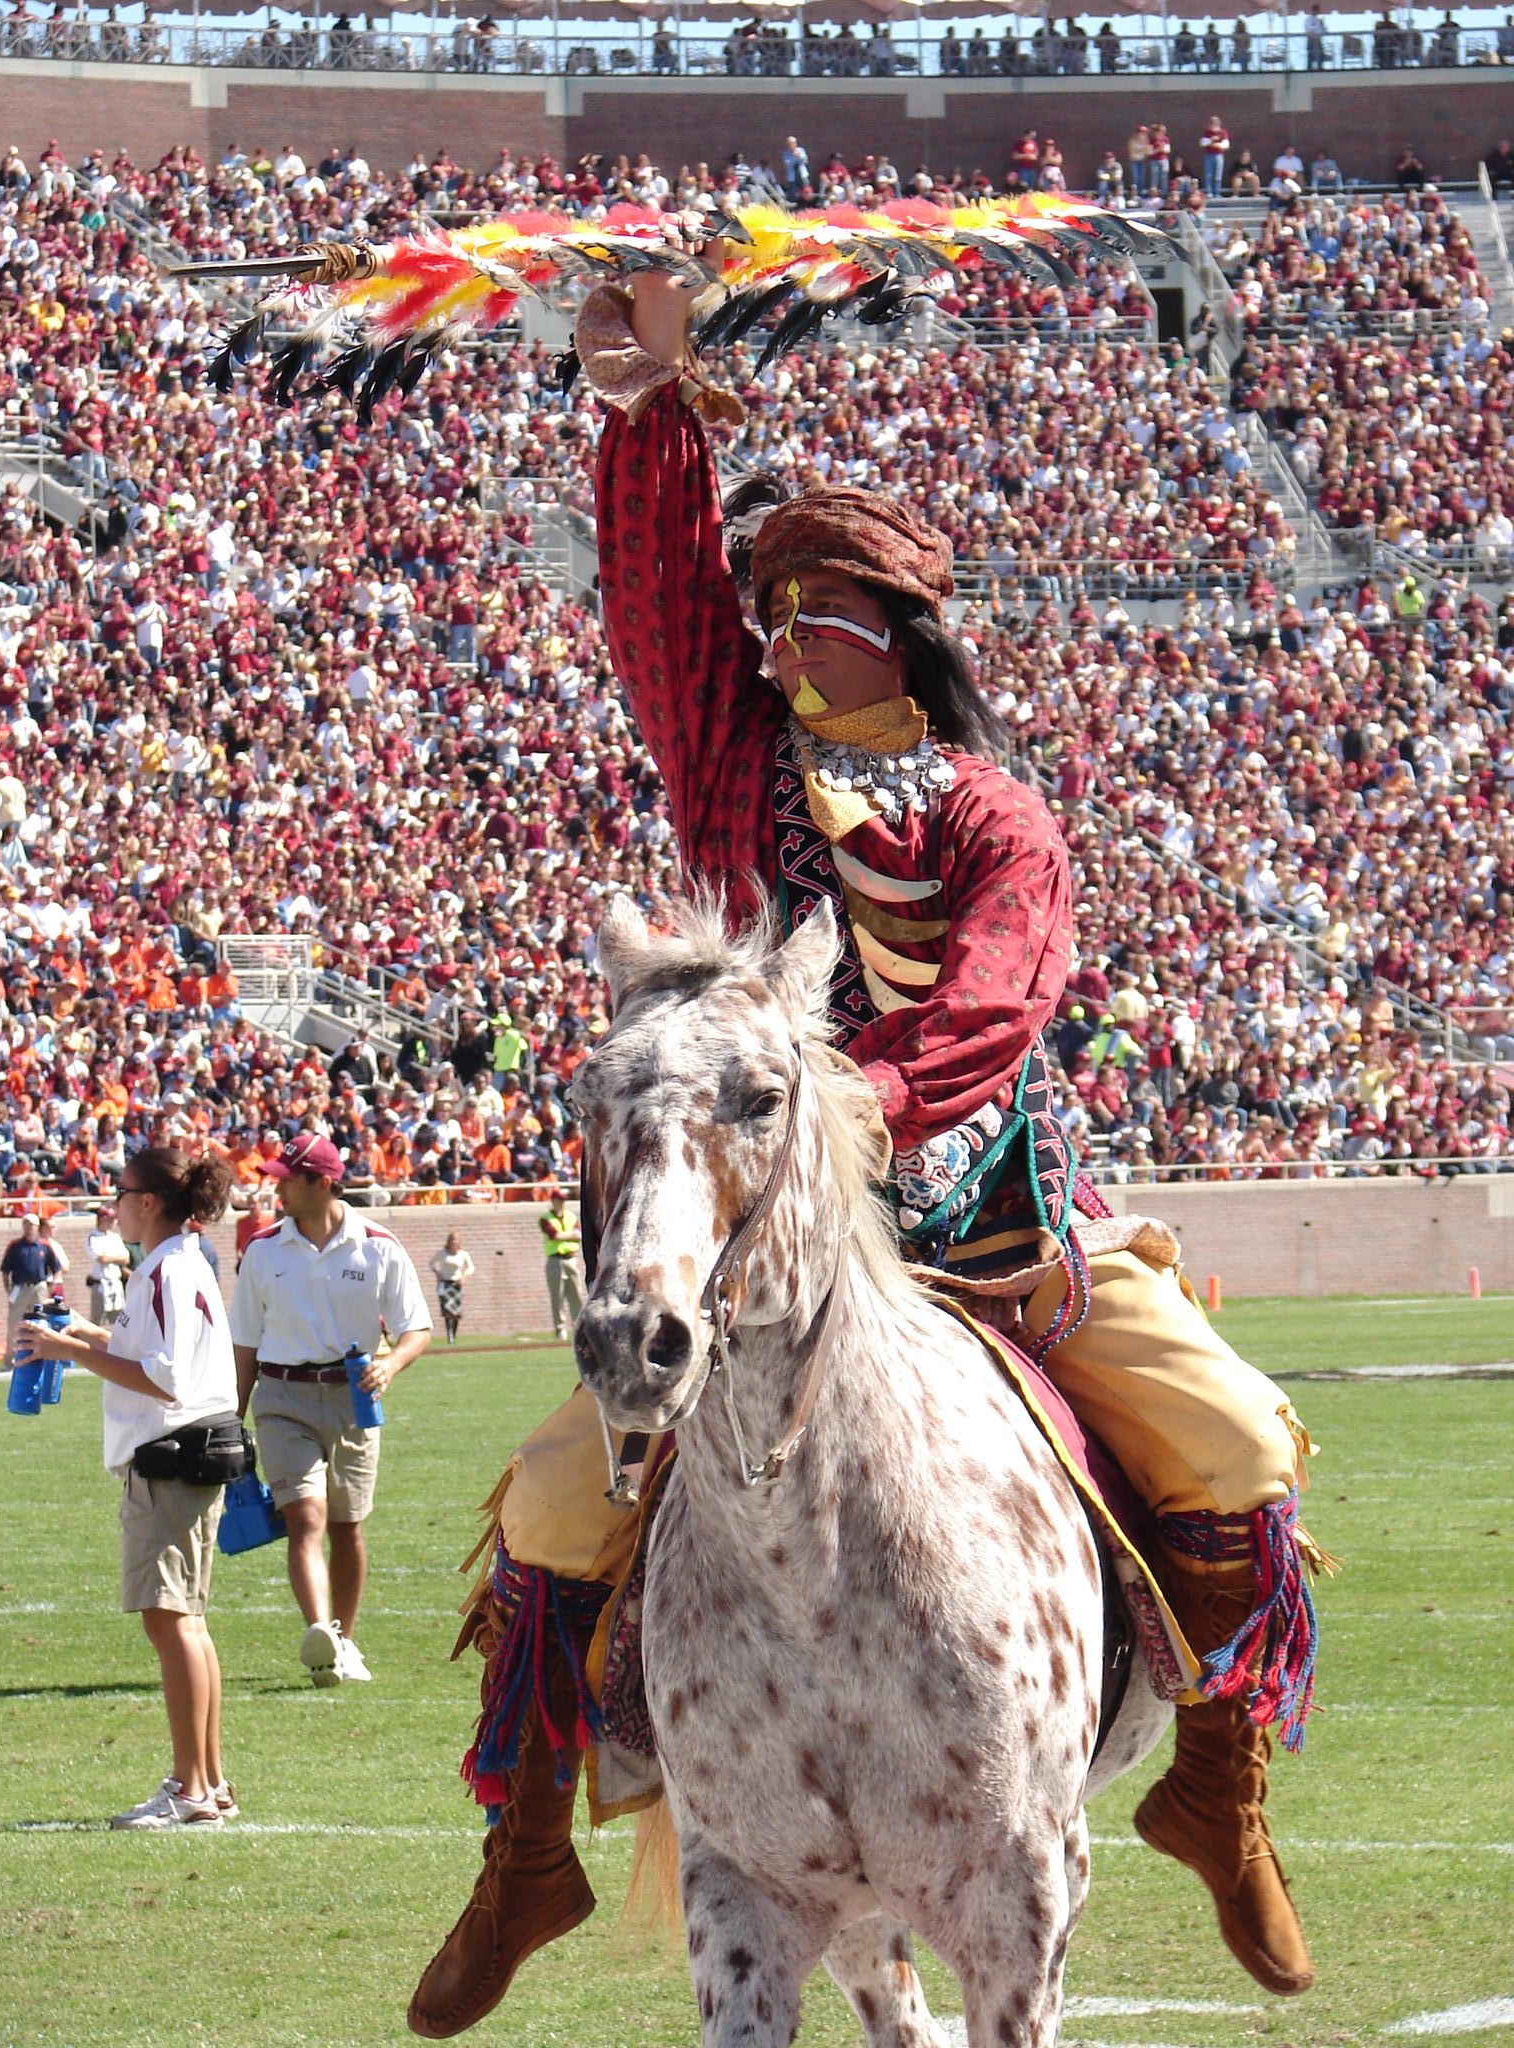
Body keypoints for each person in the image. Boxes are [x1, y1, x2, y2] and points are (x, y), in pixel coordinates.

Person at [406, 263, 1322, 2035]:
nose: (772, 640)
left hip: (986, 1248)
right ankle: (525, 1850)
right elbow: (661, 622)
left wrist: (850, 1114)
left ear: (895, 629)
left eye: (811, 612)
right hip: (756, 1259)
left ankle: (1219, 1786)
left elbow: (991, 1012)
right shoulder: (743, 777)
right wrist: (646, 410)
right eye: (771, 614)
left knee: (1229, 1444)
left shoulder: (996, 818)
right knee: (541, 1501)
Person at [16, 1148, 240, 1829]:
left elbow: (167, 1377)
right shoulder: (181, 1263)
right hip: (195, 1453)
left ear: (150, 1203)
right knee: (188, 1624)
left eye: (122, 1192)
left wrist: (71, 1352)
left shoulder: (166, 1268)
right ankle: (209, 1781)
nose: (113, 1204)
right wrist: (89, 1335)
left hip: (173, 1460)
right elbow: (154, 1356)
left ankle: (191, 1786)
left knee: (168, 1620)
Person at [231, 1134, 434, 1687]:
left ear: (321, 1184)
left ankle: (344, 1639)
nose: (275, 1185)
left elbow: (417, 1327)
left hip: (354, 1398)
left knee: (347, 1527)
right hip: (281, 1397)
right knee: (305, 1518)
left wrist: (391, 1365)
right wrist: (232, 1418)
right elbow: (245, 1344)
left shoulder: (379, 1245)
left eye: (286, 1177)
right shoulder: (263, 1250)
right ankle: (321, 1633)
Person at [0, 1214, 63, 1364]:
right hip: (20, 1287)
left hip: (38, 1287)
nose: (28, 1228)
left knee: (41, 1321)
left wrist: (52, 1284)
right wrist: (8, 1289)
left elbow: (56, 1267)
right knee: (14, 1323)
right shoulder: (15, 1246)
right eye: (26, 1225)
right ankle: (10, 1359)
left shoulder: (44, 1245)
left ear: (37, 1227)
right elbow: (5, 1270)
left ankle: (43, 1355)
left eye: (31, 1225)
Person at [540, 1191, 582, 1341]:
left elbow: (579, 1235)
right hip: (555, 1260)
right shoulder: (546, 1219)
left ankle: (578, 1328)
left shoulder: (571, 1216)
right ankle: (560, 1330)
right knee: (557, 1296)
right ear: (553, 1201)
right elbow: (554, 1236)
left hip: (571, 1259)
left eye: (563, 1200)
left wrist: (565, 1235)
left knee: (576, 1295)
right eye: (558, 1200)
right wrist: (570, 1235)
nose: (561, 1203)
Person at [85, 1202, 132, 1325]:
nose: (112, 1223)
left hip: (115, 1281)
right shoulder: (93, 1237)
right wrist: (115, 1257)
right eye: (110, 1220)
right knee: (98, 1319)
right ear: (103, 1219)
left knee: (119, 1320)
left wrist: (110, 1257)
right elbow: (101, 1258)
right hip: (101, 1283)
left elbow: (126, 1259)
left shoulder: (115, 1237)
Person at [431, 1230, 475, 1345]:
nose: (454, 1242)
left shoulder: (463, 1254)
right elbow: (431, 1264)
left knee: (455, 1312)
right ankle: (449, 1335)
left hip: (456, 1283)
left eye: (456, 1240)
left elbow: (471, 1267)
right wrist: (438, 1273)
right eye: (452, 1240)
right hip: (445, 1283)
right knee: (447, 1310)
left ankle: (454, 1334)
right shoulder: (441, 1253)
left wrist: (464, 1277)